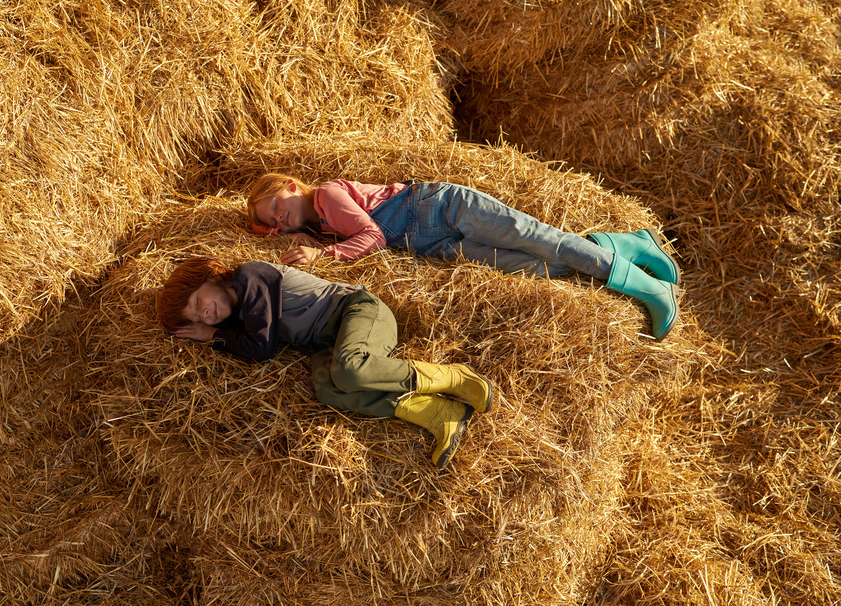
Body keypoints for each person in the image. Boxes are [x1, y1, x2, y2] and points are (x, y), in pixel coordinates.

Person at [246, 173, 681, 340]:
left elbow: (373, 235)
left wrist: (324, 257)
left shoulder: (325, 196)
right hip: (434, 245)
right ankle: (628, 245)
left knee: (539, 239)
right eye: (275, 223)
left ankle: (650, 291)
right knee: (539, 267)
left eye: (276, 208)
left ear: (289, 185)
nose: (281, 221)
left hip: (441, 207)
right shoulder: (317, 227)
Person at [156, 257, 496, 468]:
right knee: (331, 389)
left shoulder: (250, 276)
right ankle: (440, 414)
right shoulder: (236, 320)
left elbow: (261, 348)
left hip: (358, 311)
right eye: (199, 315)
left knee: (349, 368)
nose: (206, 312)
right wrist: (219, 333)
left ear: (212, 277)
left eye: (199, 300)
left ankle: (454, 378)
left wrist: (212, 336)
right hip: (327, 340)